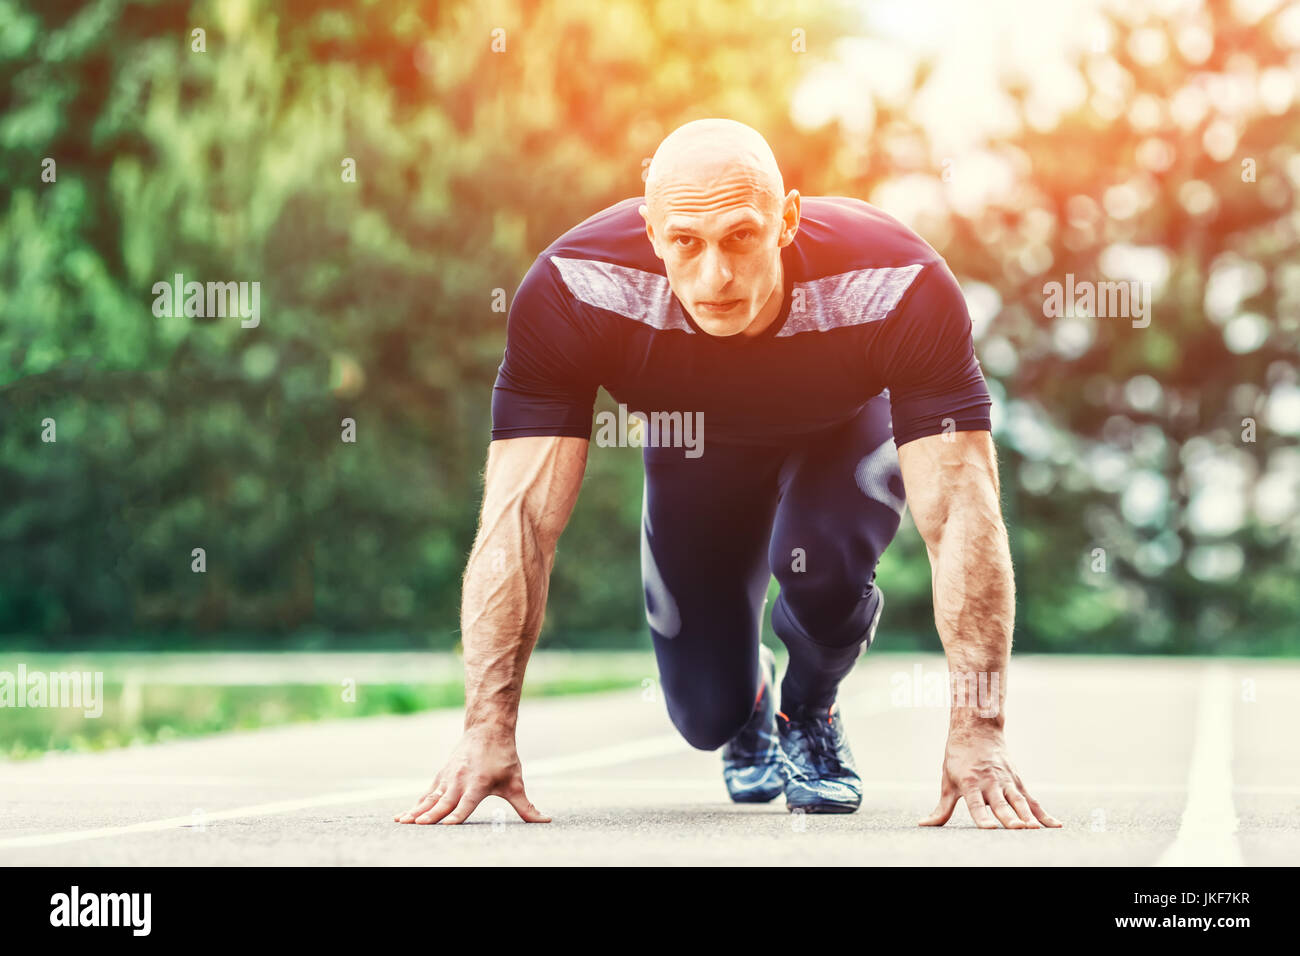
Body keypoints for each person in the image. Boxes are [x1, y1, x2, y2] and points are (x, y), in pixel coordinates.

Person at [396, 118, 1062, 828]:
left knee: (819, 568)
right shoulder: (575, 289)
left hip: (837, 439)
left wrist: (979, 732)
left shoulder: (897, 281)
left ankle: (809, 709)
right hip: (694, 456)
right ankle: (750, 701)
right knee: (703, 715)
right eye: (685, 241)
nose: (715, 276)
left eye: (741, 236)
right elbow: (518, 521)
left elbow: (964, 510)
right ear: (650, 230)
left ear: (788, 221)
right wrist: (487, 727)